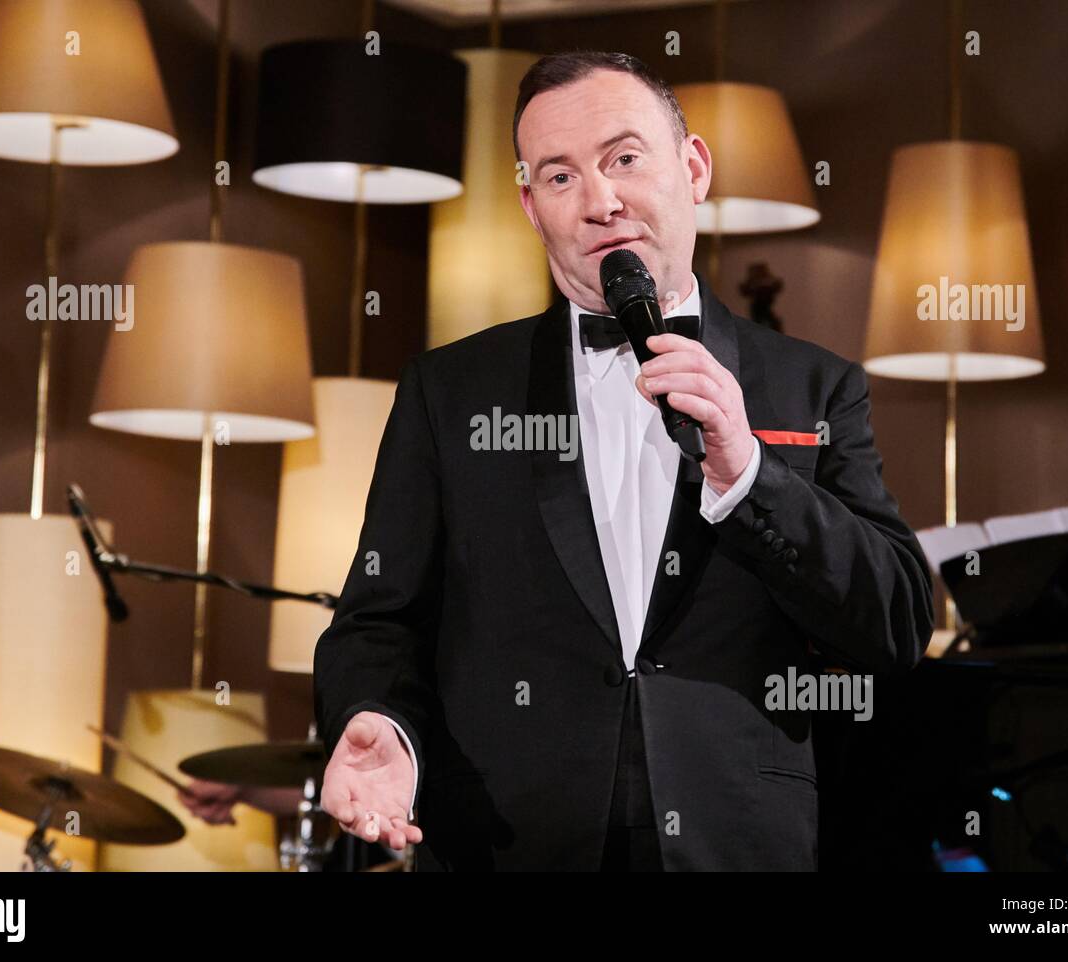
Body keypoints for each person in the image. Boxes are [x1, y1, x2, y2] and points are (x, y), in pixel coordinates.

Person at [314, 50, 934, 871]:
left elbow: (895, 623)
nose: (601, 201)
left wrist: (749, 473)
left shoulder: (812, 387)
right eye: (561, 177)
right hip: (507, 843)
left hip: (735, 843)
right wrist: (377, 719)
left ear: (694, 167)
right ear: (532, 207)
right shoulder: (451, 390)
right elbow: (378, 617)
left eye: (625, 159)